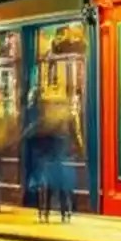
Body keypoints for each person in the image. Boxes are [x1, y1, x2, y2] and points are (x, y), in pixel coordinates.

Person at [30, 94, 84, 223]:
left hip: (51, 157)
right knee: (61, 186)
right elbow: (75, 135)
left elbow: (33, 133)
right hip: (61, 157)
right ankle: (64, 213)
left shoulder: (47, 120)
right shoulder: (66, 118)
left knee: (49, 186)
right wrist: (80, 150)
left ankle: (46, 212)